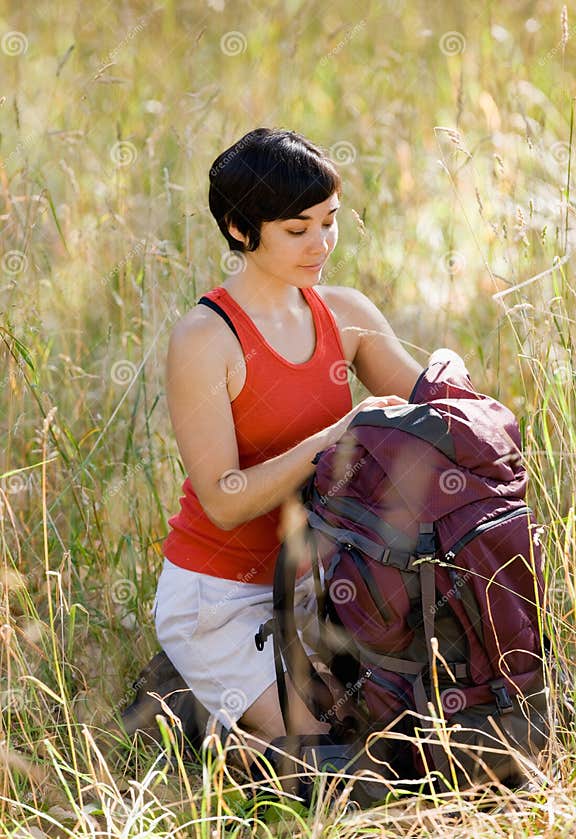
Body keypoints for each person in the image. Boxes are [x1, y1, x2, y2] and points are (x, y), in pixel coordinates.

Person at [153, 127, 423, 756]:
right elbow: (223, 500)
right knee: (324, 758)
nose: (321, 244)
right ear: (241, 230)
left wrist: (454, 383)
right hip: (220, 593)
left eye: (330, 222)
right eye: (297, 230)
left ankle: (221, 707)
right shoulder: (205, 338)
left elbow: (434, 409)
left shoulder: (345, 312)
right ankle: (198, 716)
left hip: (322, 582)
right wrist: (337, 436)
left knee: (402, 732)